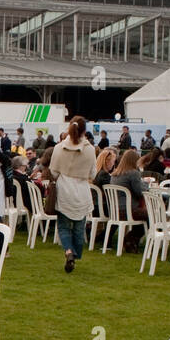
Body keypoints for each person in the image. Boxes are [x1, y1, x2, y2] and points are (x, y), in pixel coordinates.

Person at [50, 115, 95, 272]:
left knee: (63, 226)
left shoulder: (59, 148)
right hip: (82, 188)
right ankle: (75, 254)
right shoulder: (90, 150)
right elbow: (93, 174)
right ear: (84, 131)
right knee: (78, 226)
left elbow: (53, 171)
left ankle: (68, 251)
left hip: (64, 188)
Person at [110, 149, 148, 251]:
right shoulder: (133, 173)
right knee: (151, 215)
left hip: (115, 210)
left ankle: (130, 241)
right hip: (129, 210)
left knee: (145, 215)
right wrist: (146, 184)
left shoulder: (114, 174)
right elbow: (139, 191)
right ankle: (130, 238)